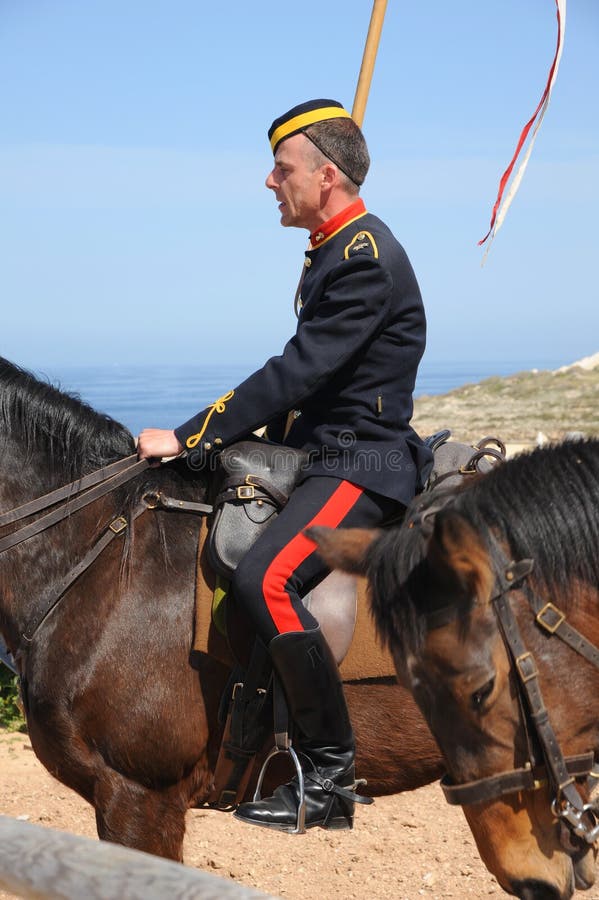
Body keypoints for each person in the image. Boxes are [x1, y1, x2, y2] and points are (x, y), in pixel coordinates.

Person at [137, 99, 432, 832]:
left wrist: (189, 436)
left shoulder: (364, 258)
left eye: (282, 168)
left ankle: (328, 776)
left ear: (325, 176)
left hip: (361, 464)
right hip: (319, 456)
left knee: (265, 579)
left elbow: (296, 373)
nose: (270, 182)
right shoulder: (334, 248)